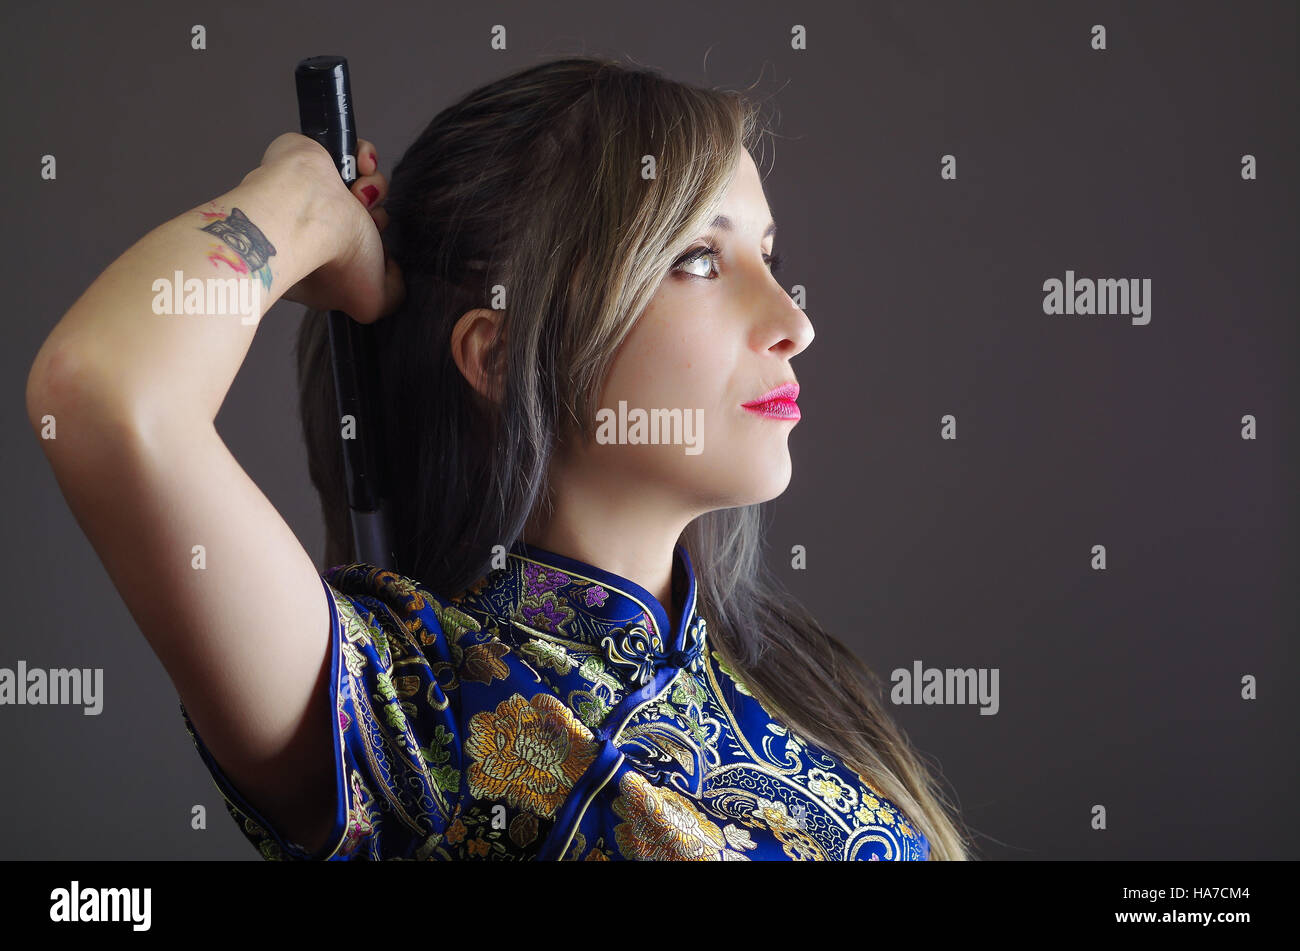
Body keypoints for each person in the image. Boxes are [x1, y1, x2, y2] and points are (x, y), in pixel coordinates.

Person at [26, 54, 972, 860]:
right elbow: (105, 393)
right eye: (696, 259)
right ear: (503, 355)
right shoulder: (417, 715)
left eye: (769, 256)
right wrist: (300, 203)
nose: (794, 322)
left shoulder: (802, 683)